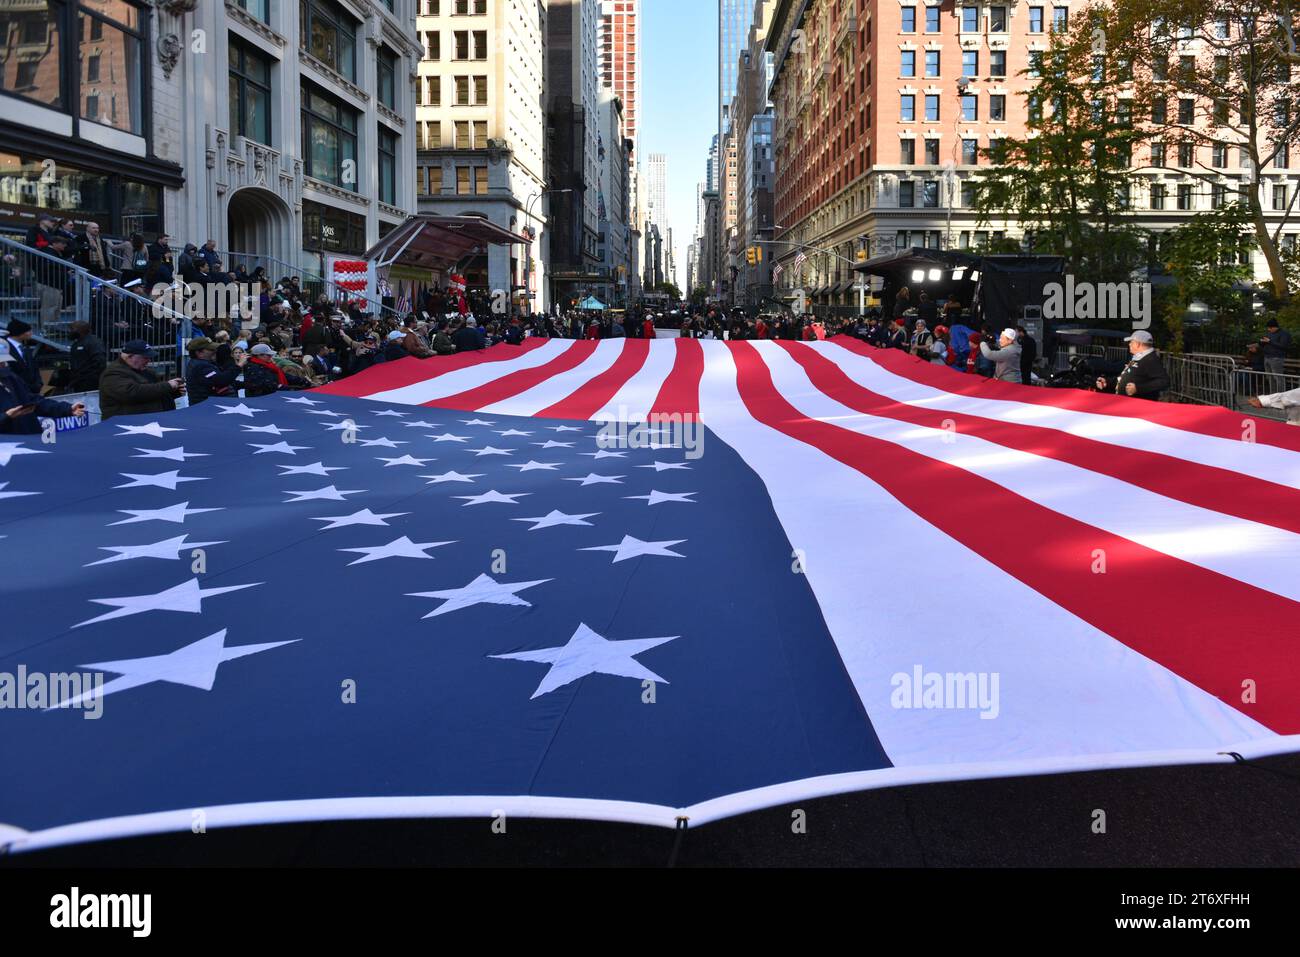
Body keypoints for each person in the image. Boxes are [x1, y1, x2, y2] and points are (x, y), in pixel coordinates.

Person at [1, 340, 83, 434]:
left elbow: (33, 401)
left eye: (4, 361)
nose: (3, 365)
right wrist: (6, 416)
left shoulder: (10, 378)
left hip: (27, 438)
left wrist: (67, 409)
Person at [98, 340, 184, 420]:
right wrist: (167, 386)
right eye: (145, 357)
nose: (148, 360)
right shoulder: (113, 373)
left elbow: (152, 393)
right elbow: (132, 393)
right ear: (130, 356)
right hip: (126, 425)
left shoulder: (145, 371)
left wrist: (172, 392)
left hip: (148, 421)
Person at [1097, 330, 1169, 400]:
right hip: (1126, 403)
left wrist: (1138, 388)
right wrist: (1108, 382)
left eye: (1131, 342)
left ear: (1138, 344)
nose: (1129, 344)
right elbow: (1125, 377)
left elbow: (1163, 382)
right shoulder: (1139, 357)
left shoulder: (1151, 359)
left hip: (1138, 407)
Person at [185, 336, 245, 404]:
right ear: (199, 352)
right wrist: (239, 365)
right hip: (204, 406)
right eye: (210, 349)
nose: (214, 351)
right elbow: (222, 380)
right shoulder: (201, 366)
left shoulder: (201, 362)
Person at [65, 320, 107, 392]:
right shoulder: (77, 343)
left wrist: (89, 376)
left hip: (90, 381)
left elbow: (100, 362)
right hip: (79, 380)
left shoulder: (94, 342)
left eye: (72, 329)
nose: (70, 331)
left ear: (80, 330)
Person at [2, 319, 41, 394]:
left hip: (32, 391)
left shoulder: (25, 347)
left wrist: (38, 383)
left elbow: (34, 367)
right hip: (16, 391)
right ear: (20, 333)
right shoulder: (4, 348)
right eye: (28, 331)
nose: (31, 333)